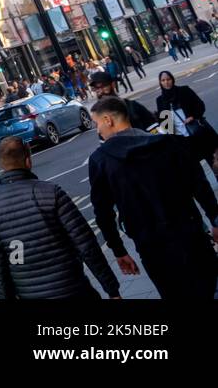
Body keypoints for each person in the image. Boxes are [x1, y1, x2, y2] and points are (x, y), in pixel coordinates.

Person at [87, 96, 218, 300]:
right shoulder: (168, 143)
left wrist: (119, 250)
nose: (97, 130)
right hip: (190, 233)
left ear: (108, 120)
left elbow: (103, 211)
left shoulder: (101, 160)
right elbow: (198, 184)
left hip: (151, 245)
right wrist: (214, 218)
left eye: (96, 124)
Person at [0, 136, 120, 299]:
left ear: (1, 165)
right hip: (72, 290)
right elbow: (86, 245)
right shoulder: (51, 193)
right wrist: (112, 289)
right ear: (28, 161)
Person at [156, 70, 218, 175]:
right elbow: (166, 125)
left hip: (198, 134)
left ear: (173, 80)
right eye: (163, 80)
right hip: (183, 141)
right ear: (160, 82)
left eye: (168, 79)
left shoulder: (184, 91)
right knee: (195, 172)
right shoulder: (160, 100)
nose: (166, 82)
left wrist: (193, 116)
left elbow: (200, 105)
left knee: (213, 163)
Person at [87, 70, 154, 131]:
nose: (100, 91)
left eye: (104, 86)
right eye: (96, 88)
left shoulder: (132, 106)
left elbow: (153, 125)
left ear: (112, 85)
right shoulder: (99, 116)